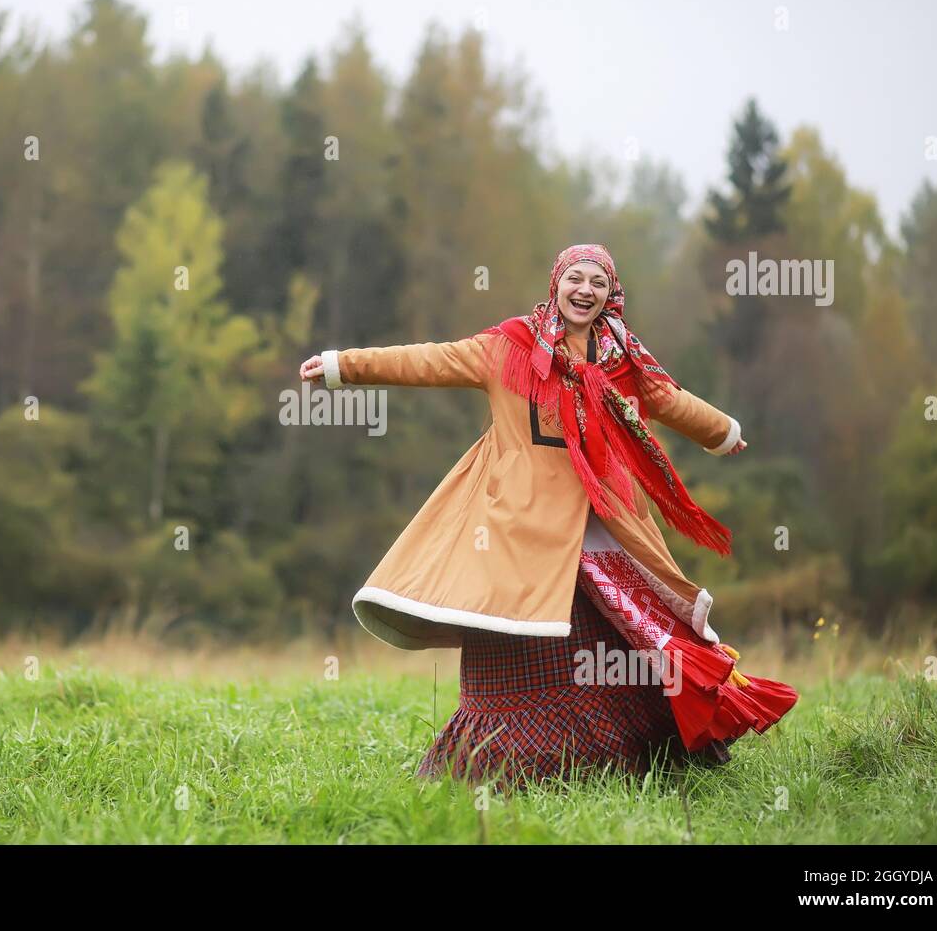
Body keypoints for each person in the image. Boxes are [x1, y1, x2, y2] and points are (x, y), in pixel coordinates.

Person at [298, 243, 797, 792]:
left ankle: (637, 753)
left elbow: (668, 398)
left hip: (604, 523)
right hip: (517, 528)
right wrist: (342, 366)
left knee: (633, 636)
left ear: (611, 295)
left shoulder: (622, 359)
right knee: (526, 638)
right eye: (575, 279)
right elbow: (429, 360)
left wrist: (723, 432)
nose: (585, 291)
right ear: (556, 283)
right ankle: (508, 762)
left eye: (598, 283)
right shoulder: (507, 348)